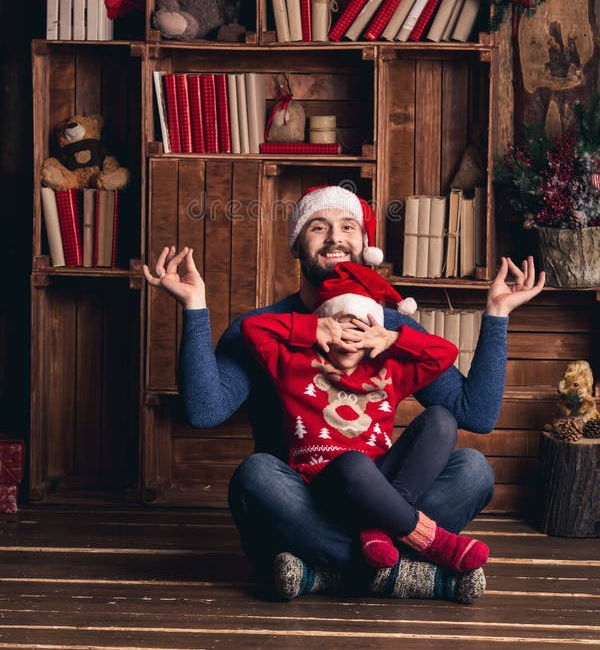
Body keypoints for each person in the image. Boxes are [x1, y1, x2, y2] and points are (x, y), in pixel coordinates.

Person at [143, 184, 545, 603]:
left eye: (348, 226)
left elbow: (474, 414)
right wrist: (194, 306)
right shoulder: (266, 329)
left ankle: (327, 572)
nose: (335, 237)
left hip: (378, 495)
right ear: (297, 244)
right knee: (256, 474)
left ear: (364, 245)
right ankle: (405, 571)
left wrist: (496, 315)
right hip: (302, 503)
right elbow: (204, 411)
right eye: (319, 226)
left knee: (474, 469)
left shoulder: (389, 329)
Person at [240, 260, 489, 577]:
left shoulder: (389, 368)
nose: (350, 335)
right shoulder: (292, 362)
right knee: (348, 463)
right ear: (324, 324)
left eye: (360, 326)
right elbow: (251, 329)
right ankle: (426, 540)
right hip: (321, 489)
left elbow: (444, 354)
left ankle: (377, 532)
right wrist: (309, 328)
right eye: (341, 323)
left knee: (442, 421)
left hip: (380, 484)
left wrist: (394, 339)